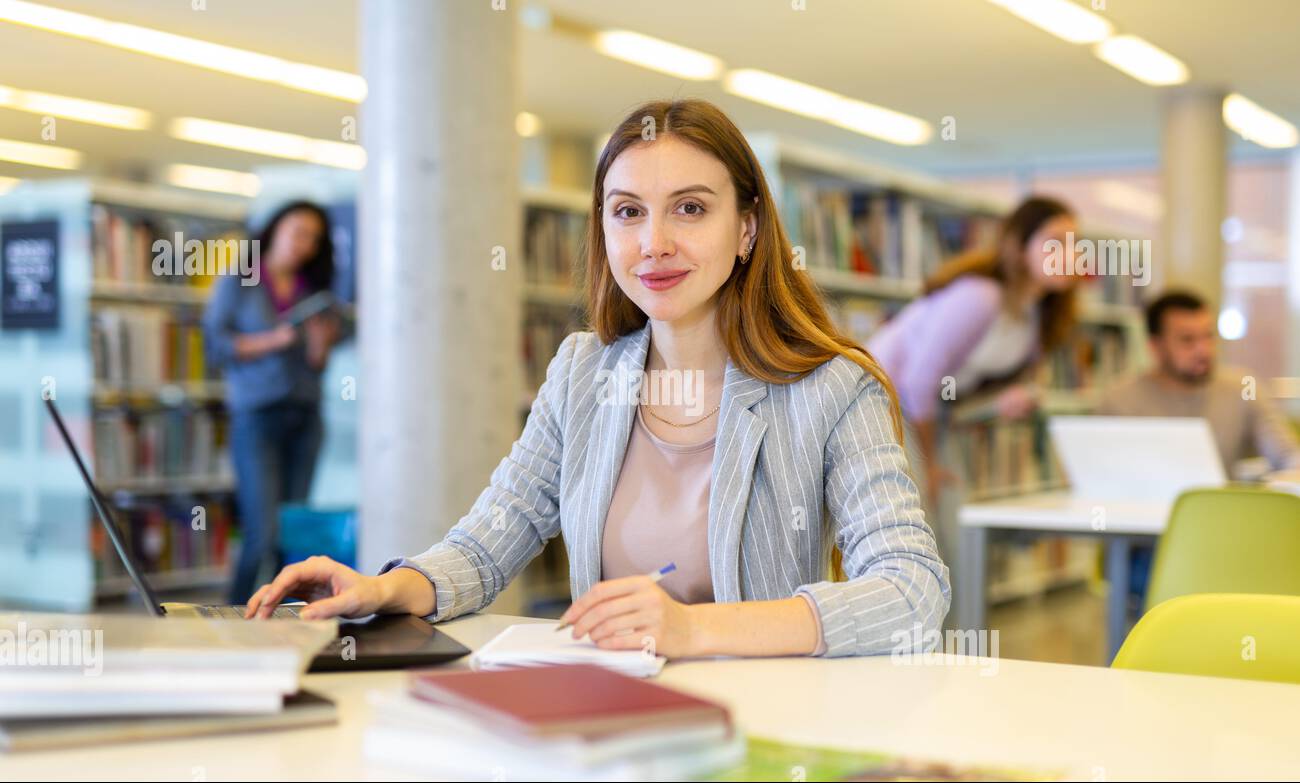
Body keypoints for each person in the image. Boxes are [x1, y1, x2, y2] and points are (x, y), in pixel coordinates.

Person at [246, 98, 950, 660]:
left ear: (748, 230)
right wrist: (386, 587)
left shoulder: (832, 389)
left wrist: (693, 630)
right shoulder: (583, 372)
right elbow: (492, 539)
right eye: (628, 212)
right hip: (610, 724)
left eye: (692, 208)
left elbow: (912, 587)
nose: (654, 244)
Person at [867, 196, 1081, 510]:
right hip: (884, 404)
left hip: (932, 415)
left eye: (1076, 244)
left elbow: (963, 397)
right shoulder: (980, 297)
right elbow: (917, 382)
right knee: (921, 510)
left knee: (951, 513)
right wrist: (930, 466)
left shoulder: (1035, 319)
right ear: (1020, 246)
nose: (1071, 254)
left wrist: (999, 404)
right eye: (1056, 242)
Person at [203, 200, 343, 605]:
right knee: (261, 532)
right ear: (275, 229)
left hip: (304, 417)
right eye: (298, 231)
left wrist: (319, 348)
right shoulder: (241, 279)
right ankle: (229, 619)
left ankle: (285, 622)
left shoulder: (314, 292)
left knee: (291, 531)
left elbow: (315, 367)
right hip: (256, 417)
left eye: (313, 239)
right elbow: (217, 345)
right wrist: (274, 339)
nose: (304, 244)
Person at [1097, 289, 1300, 473]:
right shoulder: (1118, 400)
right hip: (1137, 510)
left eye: (1208, 336)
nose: (1203, 350)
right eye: (1187, 339)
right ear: (1155, 347)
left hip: (1215, 509)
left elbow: (1287, 455)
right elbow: (1099, 468)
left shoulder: (1243, 388)